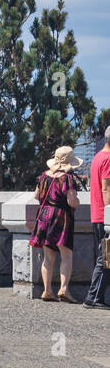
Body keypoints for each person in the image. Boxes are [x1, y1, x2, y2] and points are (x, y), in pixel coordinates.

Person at [29, 145, 83, 303]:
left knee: (48, 257)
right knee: (66, 255)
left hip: (44, 216)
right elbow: (71, 202)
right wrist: (78, 201)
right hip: (60, 217)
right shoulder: (67, 178)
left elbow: (36, 196)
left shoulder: (43, 176)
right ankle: (64, 289)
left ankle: (47, 291)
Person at [83, 128, 110, 310]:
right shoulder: (108, 159)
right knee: (105, 257)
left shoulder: (98, 157)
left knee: (105, 256)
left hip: (97, 215)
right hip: (104, 216)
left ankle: (95, 297)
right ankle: (93, 298)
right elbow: (106, 189)